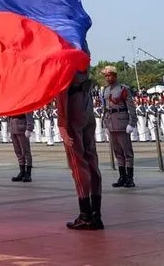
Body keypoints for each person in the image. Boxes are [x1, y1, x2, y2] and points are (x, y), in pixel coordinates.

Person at [57, 70, 104, 230]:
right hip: (86, 102)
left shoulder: (66, 50)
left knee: (77, 162)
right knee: (91, 158)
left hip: (73, 104)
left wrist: (62, 123)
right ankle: (96, 215)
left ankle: (85, 215)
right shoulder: (82, 47)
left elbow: (62, 87)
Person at [99, 65, 137, 188]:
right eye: (106, 76)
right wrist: (104, 123)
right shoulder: (105, 90)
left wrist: (132, 123)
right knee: (117, 152)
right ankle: (122, 177)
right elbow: (105, 109)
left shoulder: (122, 89)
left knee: (127, 152)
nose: (107, 78)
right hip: (111, 122)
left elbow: (131, 107)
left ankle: (130, 178)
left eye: (109, 75)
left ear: (115, 76)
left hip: (122, 122)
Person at [9, 112, 35, 183]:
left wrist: (29, 128)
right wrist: (10, 129)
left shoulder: (23, 102)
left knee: (26, 151)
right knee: (18, 152)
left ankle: (28, 173)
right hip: (13, 128)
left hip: (22, 128)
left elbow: (29, 114)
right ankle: (22, 172)